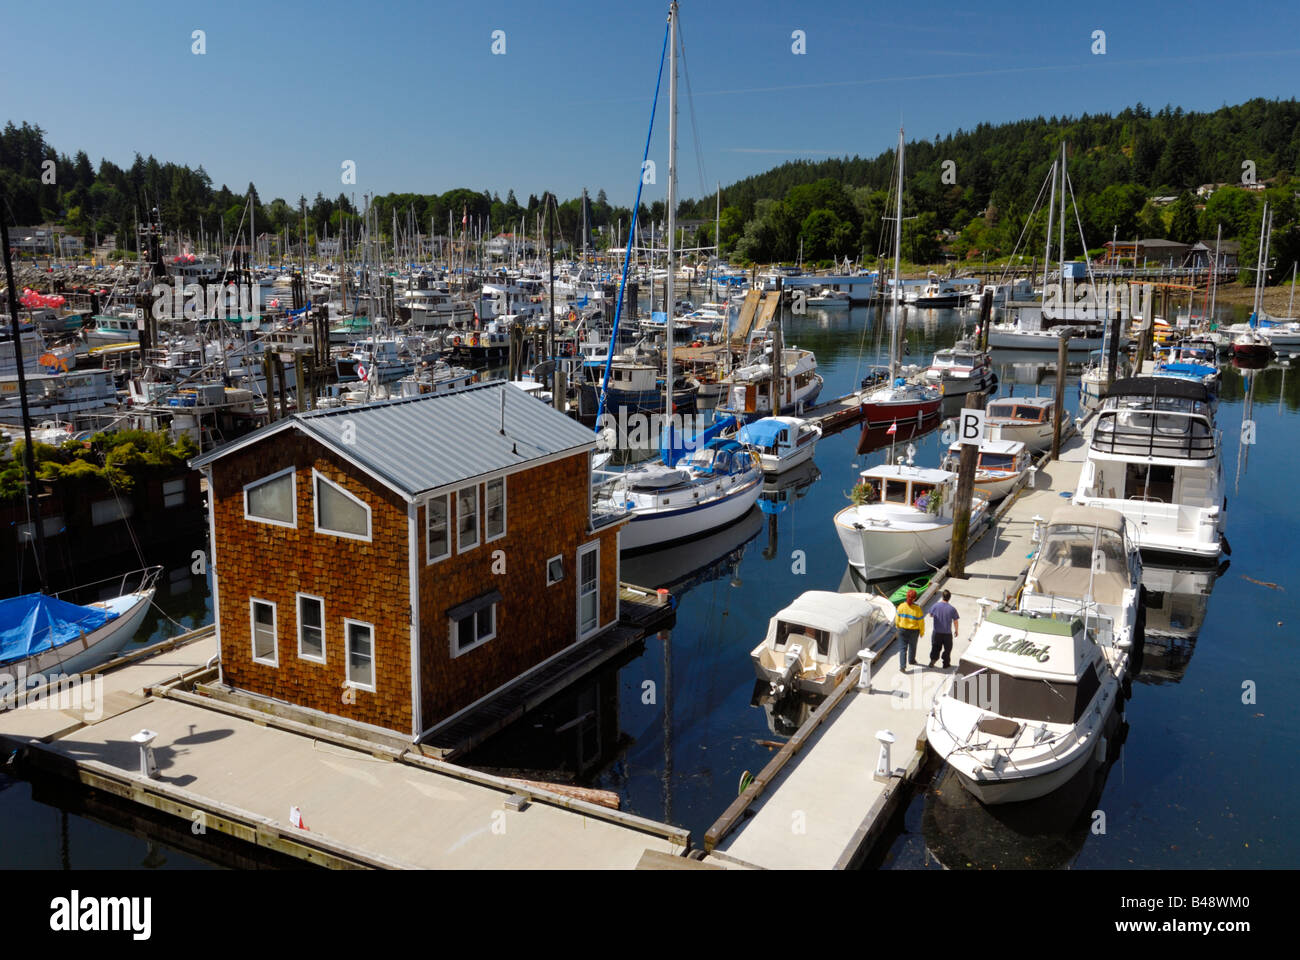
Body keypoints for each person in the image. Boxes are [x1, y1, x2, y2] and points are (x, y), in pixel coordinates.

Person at [928, 590, 960, 669]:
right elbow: (955, 621)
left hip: (936, 632)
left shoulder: (935, 605)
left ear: (942, 596)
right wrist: (956, 630)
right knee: (948, 649)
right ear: (949, 598)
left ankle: (933, 660)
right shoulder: (952, 609)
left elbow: (930, 615)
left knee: (935, 647)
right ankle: (946, 664)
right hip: (947, 634)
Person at [895, 588, 924, 672]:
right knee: (913, 646)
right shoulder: (917, 609)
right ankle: (911, 660)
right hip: (914, 631)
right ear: (914, 598)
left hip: (902, 630)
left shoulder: (901, 606)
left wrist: (898, 626)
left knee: (902, 648)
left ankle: (902, 666)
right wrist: (922, 632)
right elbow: (921, 622)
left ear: (906, 596)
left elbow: (897, 620)